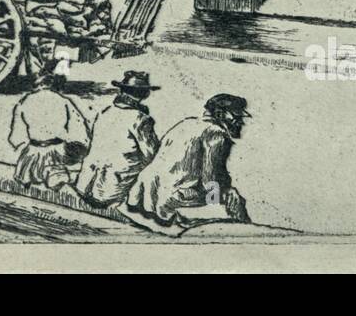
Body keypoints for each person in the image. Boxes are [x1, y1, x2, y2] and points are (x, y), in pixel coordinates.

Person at [126, 93, 252, 226]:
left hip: (144, 195)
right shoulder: (217, 134)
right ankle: (244, 230)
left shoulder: (186, 124)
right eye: (236, 116)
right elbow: (210, 179)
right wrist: (216, 206)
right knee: (232, 195)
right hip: (171, 199)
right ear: (220, 115)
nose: (241, 122)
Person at [76, 71, 160, 208]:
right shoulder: (141, 118)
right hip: (111, 189)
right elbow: (153, 155)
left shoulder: (106, 112)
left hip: (84, 183)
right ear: (144, 94)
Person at [7, 62, 91, 191]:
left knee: (26, 175)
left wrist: (19, 144)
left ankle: (32, 177)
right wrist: (79, 144)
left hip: (33, 150)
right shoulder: (63, 100)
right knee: (57, 176)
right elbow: (78, 125)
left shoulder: (25, 101)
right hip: (58, 151)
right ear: (51, 84)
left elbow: (17, 132)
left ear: (37, 84)